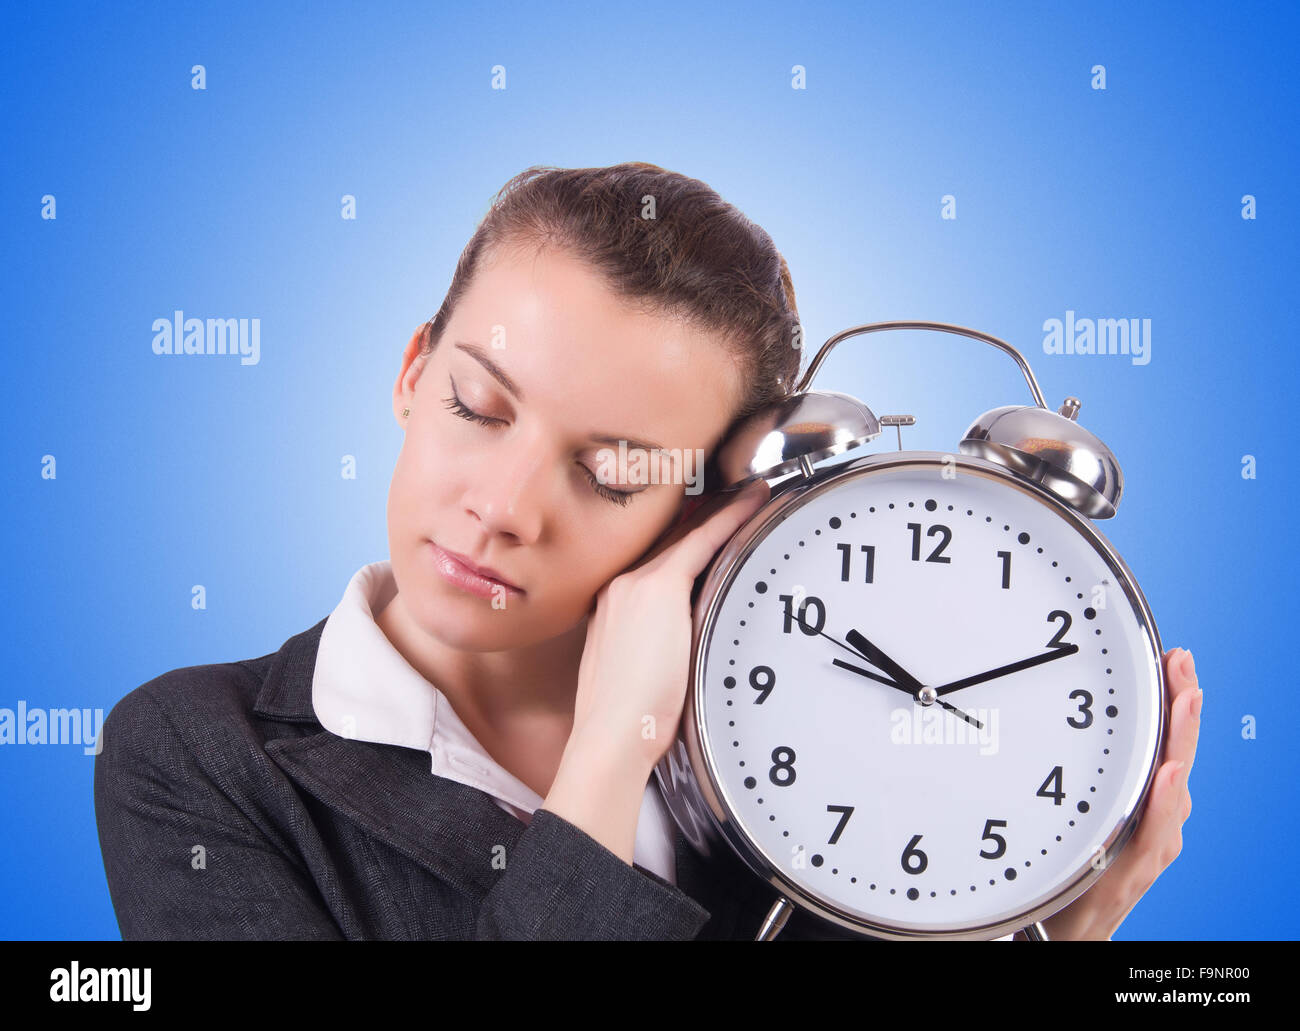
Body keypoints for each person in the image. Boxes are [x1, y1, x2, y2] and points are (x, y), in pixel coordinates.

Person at [93, 162, 1201, 940]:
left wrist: (1041, 941)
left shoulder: (809, 784)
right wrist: (605, 758)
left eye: (614, 470)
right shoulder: (197, 754)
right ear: (412, 373)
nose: (502, 506)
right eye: (478, 405)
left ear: (698, 506)